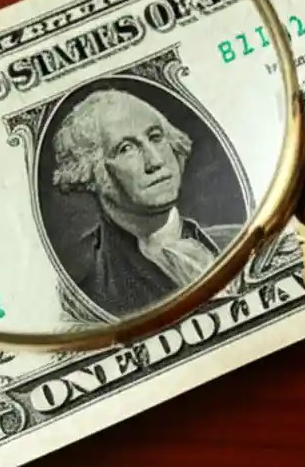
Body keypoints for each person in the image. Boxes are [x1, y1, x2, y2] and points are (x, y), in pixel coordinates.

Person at [51, 88, 240, 317]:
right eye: (126, 149)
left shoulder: (237, 238)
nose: (155, 161)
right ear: (91, 171)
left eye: (155, 137)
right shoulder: (92, 300)